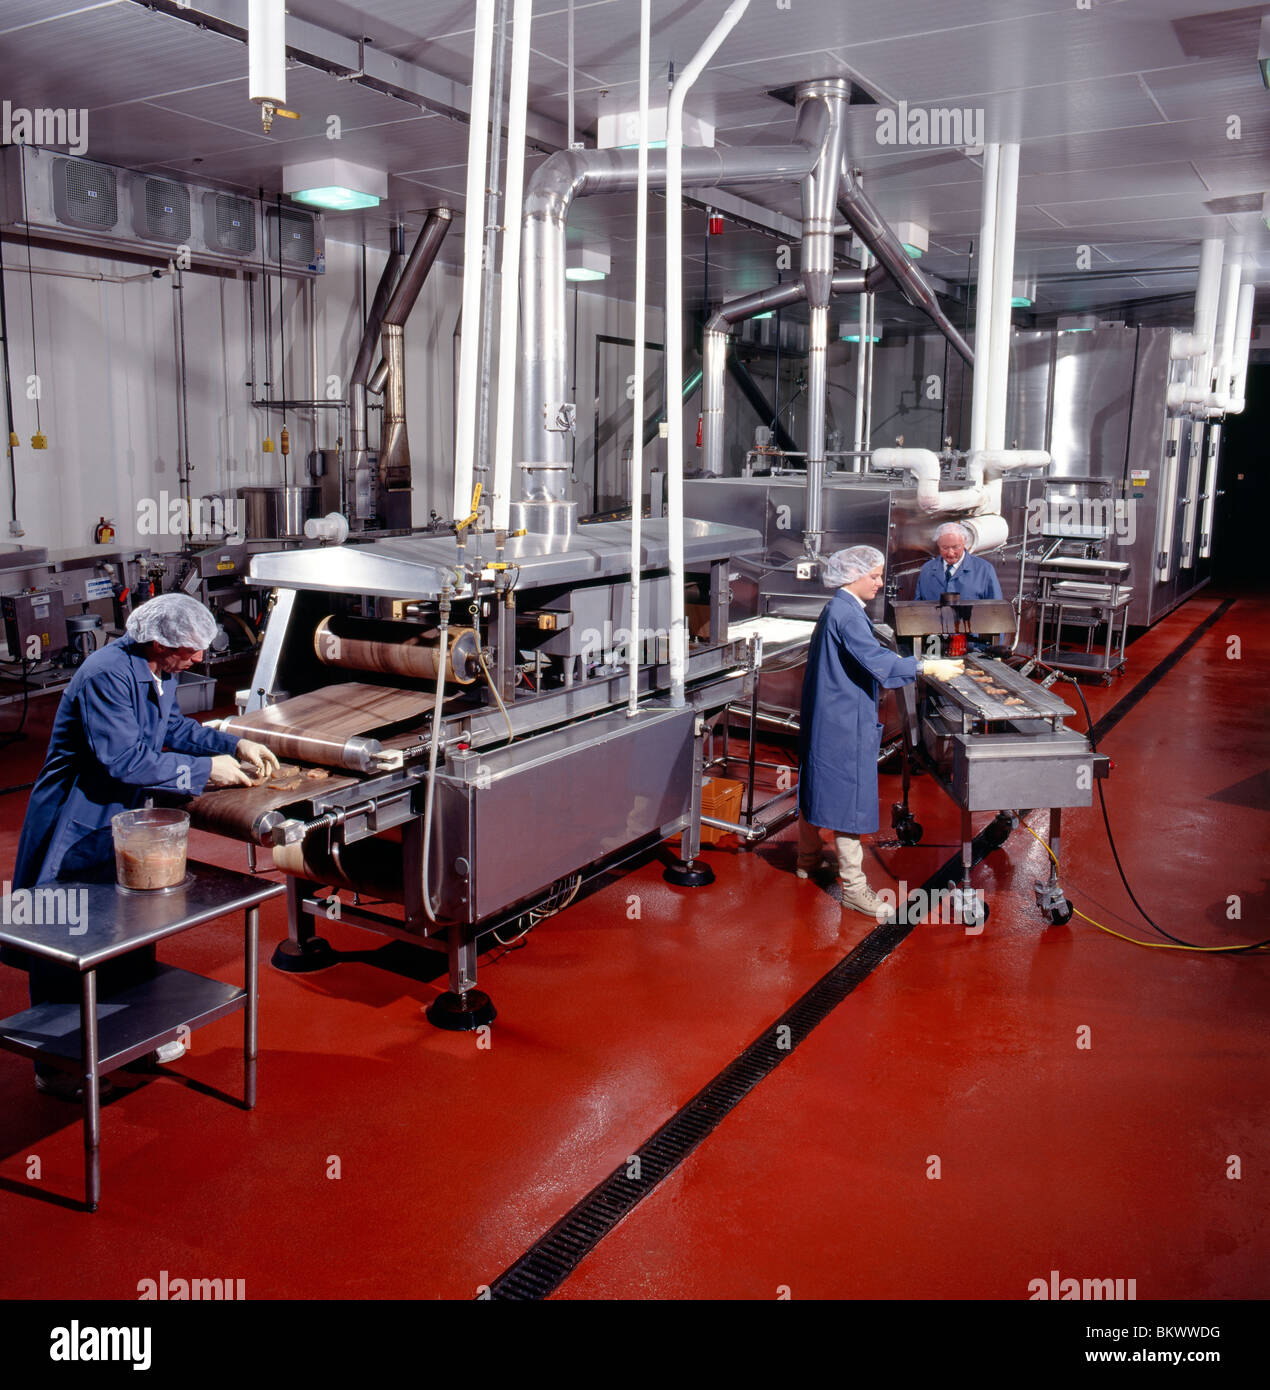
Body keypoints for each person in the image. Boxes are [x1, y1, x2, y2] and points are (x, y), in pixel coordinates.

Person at [8, 593, 279, 1098]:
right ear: (159, 641)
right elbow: (125, 760)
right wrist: (205, 772)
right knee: (68, 929)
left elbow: (168, 727)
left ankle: (135, 1034)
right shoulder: (106, 675)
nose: (198, 659)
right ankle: (57, 1063)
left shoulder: (160, 669)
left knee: (130, 921)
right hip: (78, 817)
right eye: (191, 650)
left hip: (126, 814)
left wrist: (231, 742)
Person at [797, 546, 962, 918]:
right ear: (851, 576)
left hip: (828, 716)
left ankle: (807, 859)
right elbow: (876, 662)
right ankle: (855, 889)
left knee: (819, 786)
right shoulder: (848, 614)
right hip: (844, 722)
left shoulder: (838, 608)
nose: (879, 582)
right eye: (873, 576)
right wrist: (926, 667)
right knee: (848, 801)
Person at [914, 522, 1002, 602]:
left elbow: (996, 610)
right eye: (944, 548)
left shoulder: (984, 570)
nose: (950, 553)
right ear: (938, 544)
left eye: (955, 547)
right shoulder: (927, 570)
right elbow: (917, 610)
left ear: (965, 542)